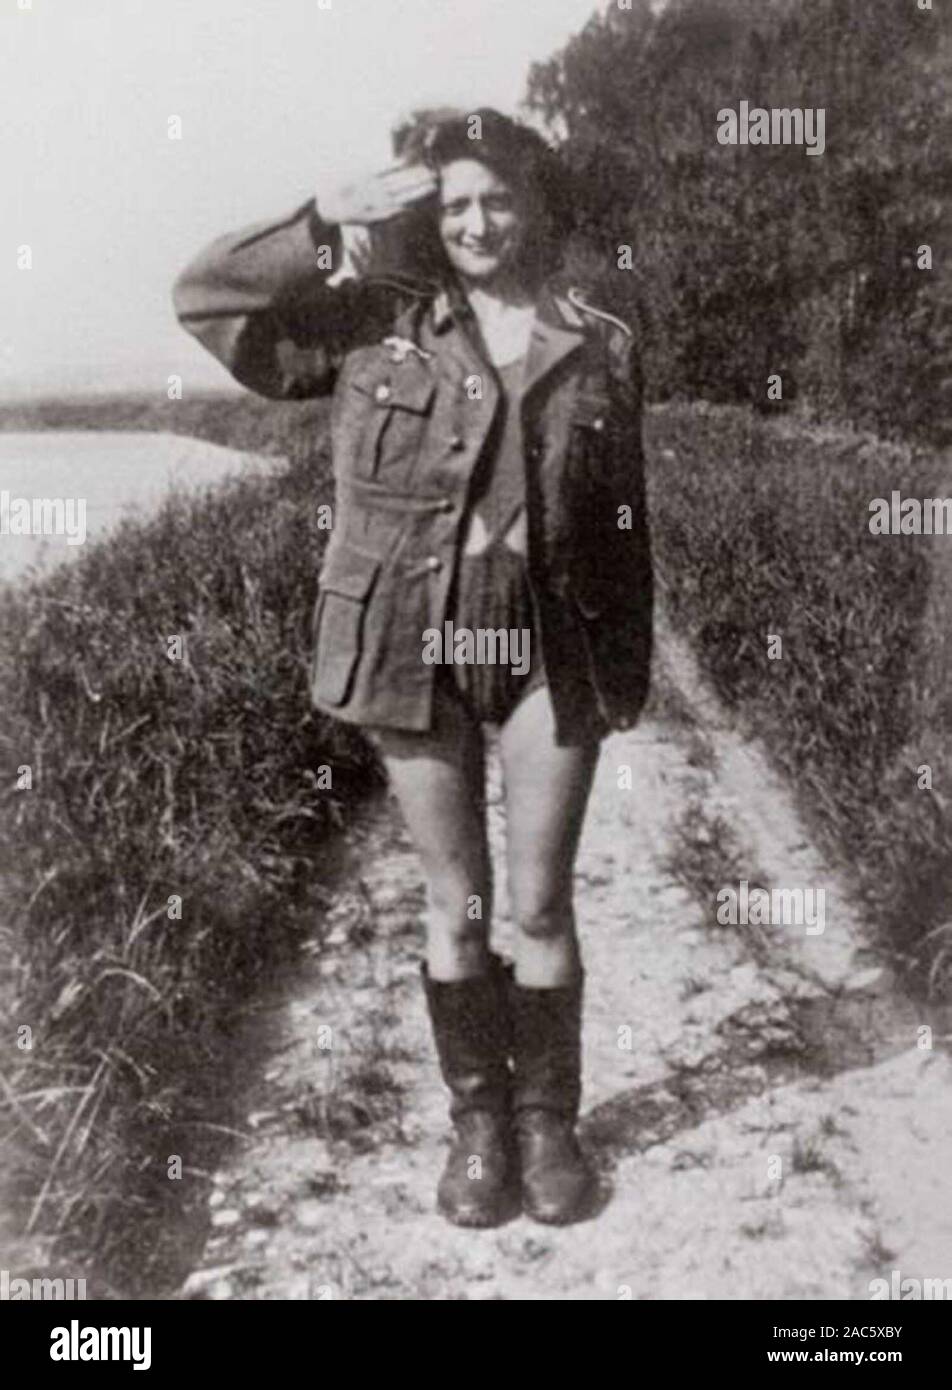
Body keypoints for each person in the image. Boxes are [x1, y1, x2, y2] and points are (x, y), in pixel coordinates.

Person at [173, 107, 653, 1227]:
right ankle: (478, 1125)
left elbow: (626, 521)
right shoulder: (366, 328)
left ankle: (549, 1127)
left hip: (551, 645)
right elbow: (207, 297)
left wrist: (622, 663)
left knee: (538, 903)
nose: (478, 222)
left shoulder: (603, 340)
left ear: (534, 204)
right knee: (459, 897)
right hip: (411, 640)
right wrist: (320, 219)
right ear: (426, 217)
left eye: (497, 198)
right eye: (454, 204)